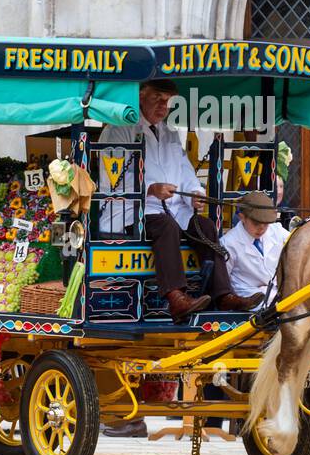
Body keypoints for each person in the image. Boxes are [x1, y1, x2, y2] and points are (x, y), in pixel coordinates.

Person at [99, 81, 263, 321]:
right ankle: (176, 297)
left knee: (205, 226)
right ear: (141, 96)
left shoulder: (169, 132)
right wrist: (151, 189)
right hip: (130, 209)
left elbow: (184, 170)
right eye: (158, 99)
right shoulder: (118, 129)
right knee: (166, 225)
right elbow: (112, 177)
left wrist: (195, 191)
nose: (164, 106)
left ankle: (223, 294)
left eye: (168, 101)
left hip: (171, 209)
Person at [220, 191, 288, 306]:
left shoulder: (277, 230)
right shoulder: (228, 243)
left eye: (265, 224)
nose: (261, 228)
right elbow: (225, 280)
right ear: (242, 217)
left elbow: (296, 244)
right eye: (256, 223)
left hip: (277, 290)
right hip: (247, 296)